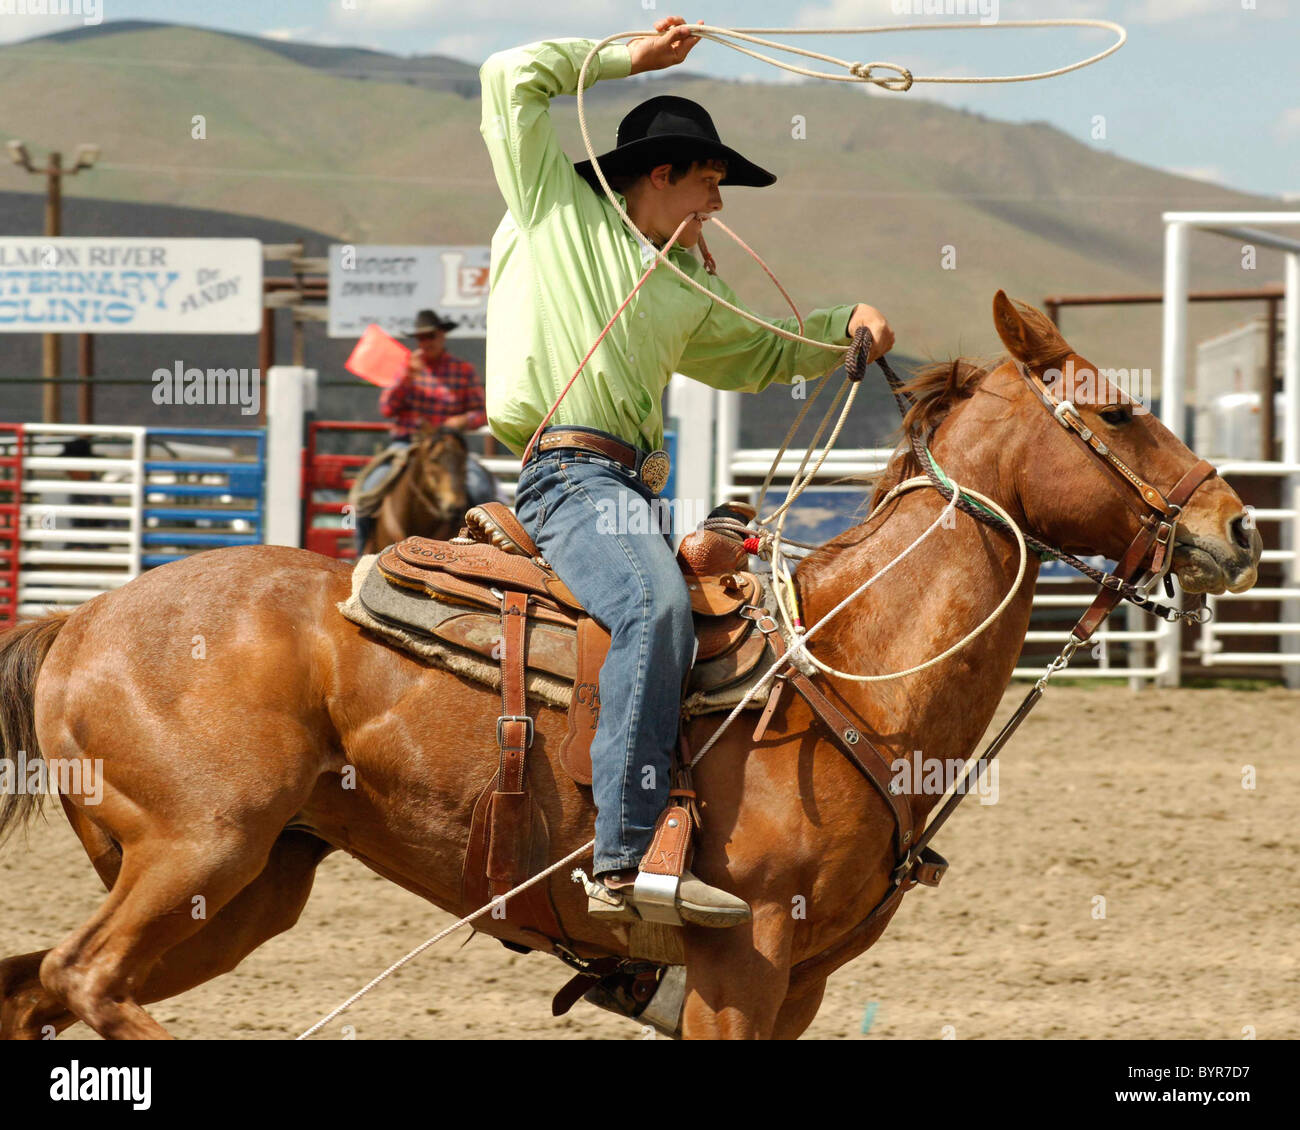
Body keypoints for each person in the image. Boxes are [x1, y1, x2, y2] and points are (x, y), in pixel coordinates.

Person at [479, 16, 894, 926]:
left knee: (744, 610)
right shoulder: (556, 209)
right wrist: (630, 55)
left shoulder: (676, 281)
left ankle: (700, 833)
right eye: (709, 180)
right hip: (568, 477)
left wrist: (843, 325)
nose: (719, 203)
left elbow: (757, 349)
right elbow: (511, 74)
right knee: (655, 605)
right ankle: (624, 856)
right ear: (660, 173)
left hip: (627, 488)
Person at [354, 308, 496, 553]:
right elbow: (387, 408)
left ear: (442, 336)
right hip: (407, 444)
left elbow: (482, 411)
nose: (426, 342)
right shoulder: (407, 367)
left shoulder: (462, 371)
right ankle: (361, 553)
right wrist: (405, 379)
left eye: (431, 336)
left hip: (448, 446)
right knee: (368, 490)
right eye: (421, 338)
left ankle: (482, 553)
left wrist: (461, 420)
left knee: (480, 487)